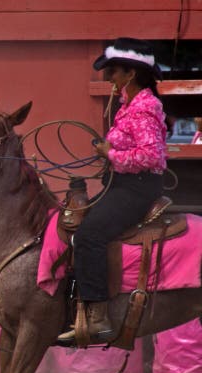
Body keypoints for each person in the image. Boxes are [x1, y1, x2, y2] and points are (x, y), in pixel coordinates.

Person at [58, 37, 167, 344]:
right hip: (123, 185)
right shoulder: (129, 104)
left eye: (113, 71)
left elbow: (152, 156)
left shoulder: (144, 107)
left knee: (90, 234)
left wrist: (111, 155)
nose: (108, 77)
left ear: (130, 74)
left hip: (137, 189)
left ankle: (98, 317)